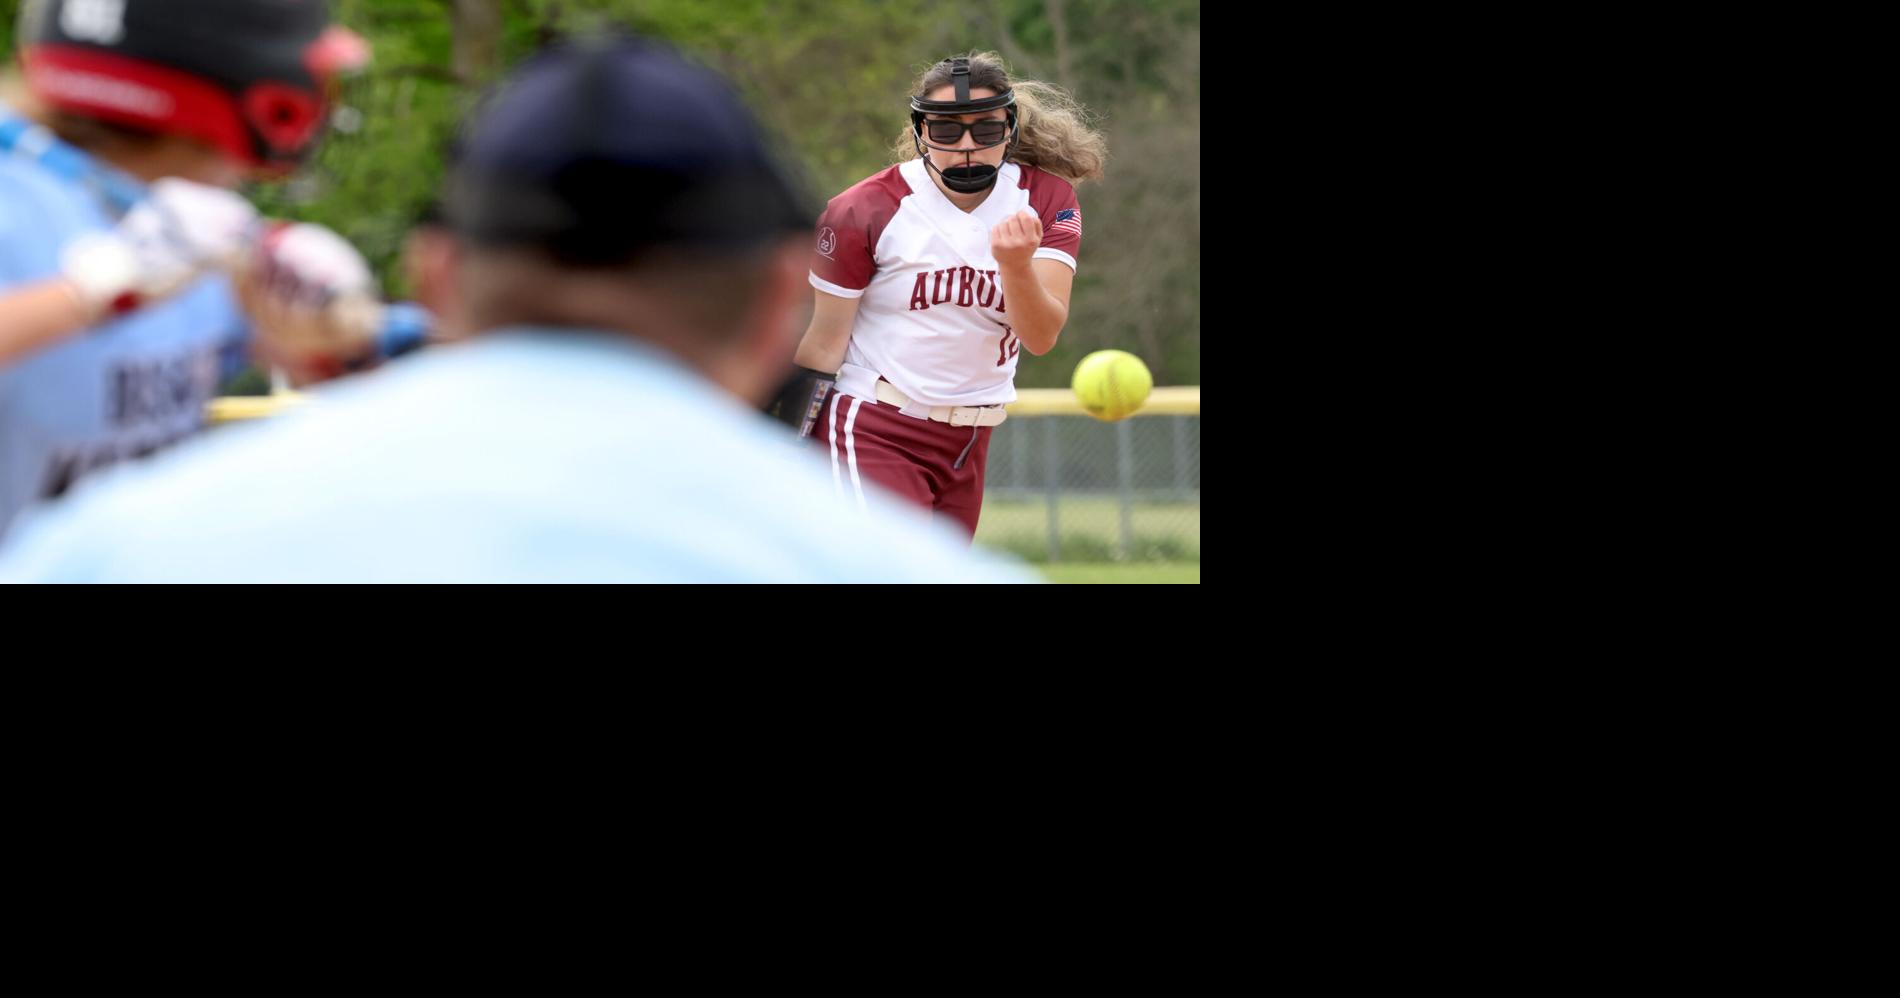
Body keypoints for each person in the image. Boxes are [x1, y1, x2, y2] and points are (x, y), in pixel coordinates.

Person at [0, 34, 1036, 584]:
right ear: (780, 298)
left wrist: (354, 342)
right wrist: (94, 291)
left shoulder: (113, 546)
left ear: (441, 276)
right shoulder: (881, 561)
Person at [0, 0, 420, 540]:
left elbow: (349, 391)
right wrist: (93, 293)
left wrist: (340, 341)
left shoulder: (189, 228)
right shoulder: (28, 202)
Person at [774, 51, 1107, 538]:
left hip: (970, 440)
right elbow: (824, 342)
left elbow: (1040, 336)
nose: (967, 146)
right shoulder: (863, 209)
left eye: (986, 130)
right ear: (920, 132)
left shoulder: (1046, 199)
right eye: (947, 131)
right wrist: (779, 440)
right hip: (874, 423)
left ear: (1010, 129)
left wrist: (1015, 266)